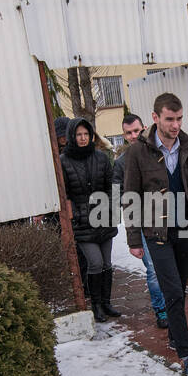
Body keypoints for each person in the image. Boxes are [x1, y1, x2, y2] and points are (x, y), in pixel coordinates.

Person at [122, 93, 188, 376]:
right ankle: (186, 353)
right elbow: (131, 197)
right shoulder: (137, 152)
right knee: (171, 289)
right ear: (155, 118)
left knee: (179, 288)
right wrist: (134, 240)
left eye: (179, 118)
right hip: (156, 230)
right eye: (170, 119)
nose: (175, 124)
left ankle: (173, 332)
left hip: (185, 227)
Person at [61, 117, 119, 322]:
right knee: (95, 263)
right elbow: (65, 194)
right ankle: (95, 305)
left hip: (103, 218)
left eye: (86, 134)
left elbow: (111, 185)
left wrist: (111, 209)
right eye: (79, 135)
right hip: (83, 223)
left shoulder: (101, 158)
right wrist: (74, 214)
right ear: (72, 137)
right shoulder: (64, 160)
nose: (83, 138)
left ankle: (106, 302)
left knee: (107, 264)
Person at [113, 112, 169, 329]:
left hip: (165, 219)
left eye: (137, 130)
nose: (134, 135)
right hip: (142, 224)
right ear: (124, 135)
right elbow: (120, 196)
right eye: (129, 133)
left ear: (144, 128)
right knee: (153, 269)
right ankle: (161, 310)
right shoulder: (120, 164)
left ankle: (173, 304)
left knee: (169, 266)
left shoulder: (159, 152)